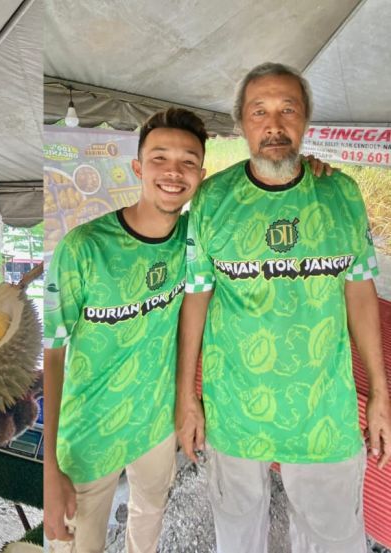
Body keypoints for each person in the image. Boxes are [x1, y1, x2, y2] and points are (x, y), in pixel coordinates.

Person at [176, 62, 391, 552]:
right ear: (241, 123)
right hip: (235, 407)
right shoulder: (213, 200)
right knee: (237, 531)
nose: (274, 125)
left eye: (287, 109)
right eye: (259, 111)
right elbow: (196, 297)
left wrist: (380, 392)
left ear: (306, 118)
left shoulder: (340, 193)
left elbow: (360, 290)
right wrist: (187, 396)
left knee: (334, 536)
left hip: (324, 409)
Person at [43, 108, 208, 553]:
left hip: (156, 424)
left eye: (188, 162)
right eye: (159, 158)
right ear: (137, 168)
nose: (173, 172)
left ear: (201, 176)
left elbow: (255, 200)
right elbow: (53, 352)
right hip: (87, 437)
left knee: (149, 518)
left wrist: (306, 168)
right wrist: (50, 469)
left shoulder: (196, 239)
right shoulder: (83, 248)